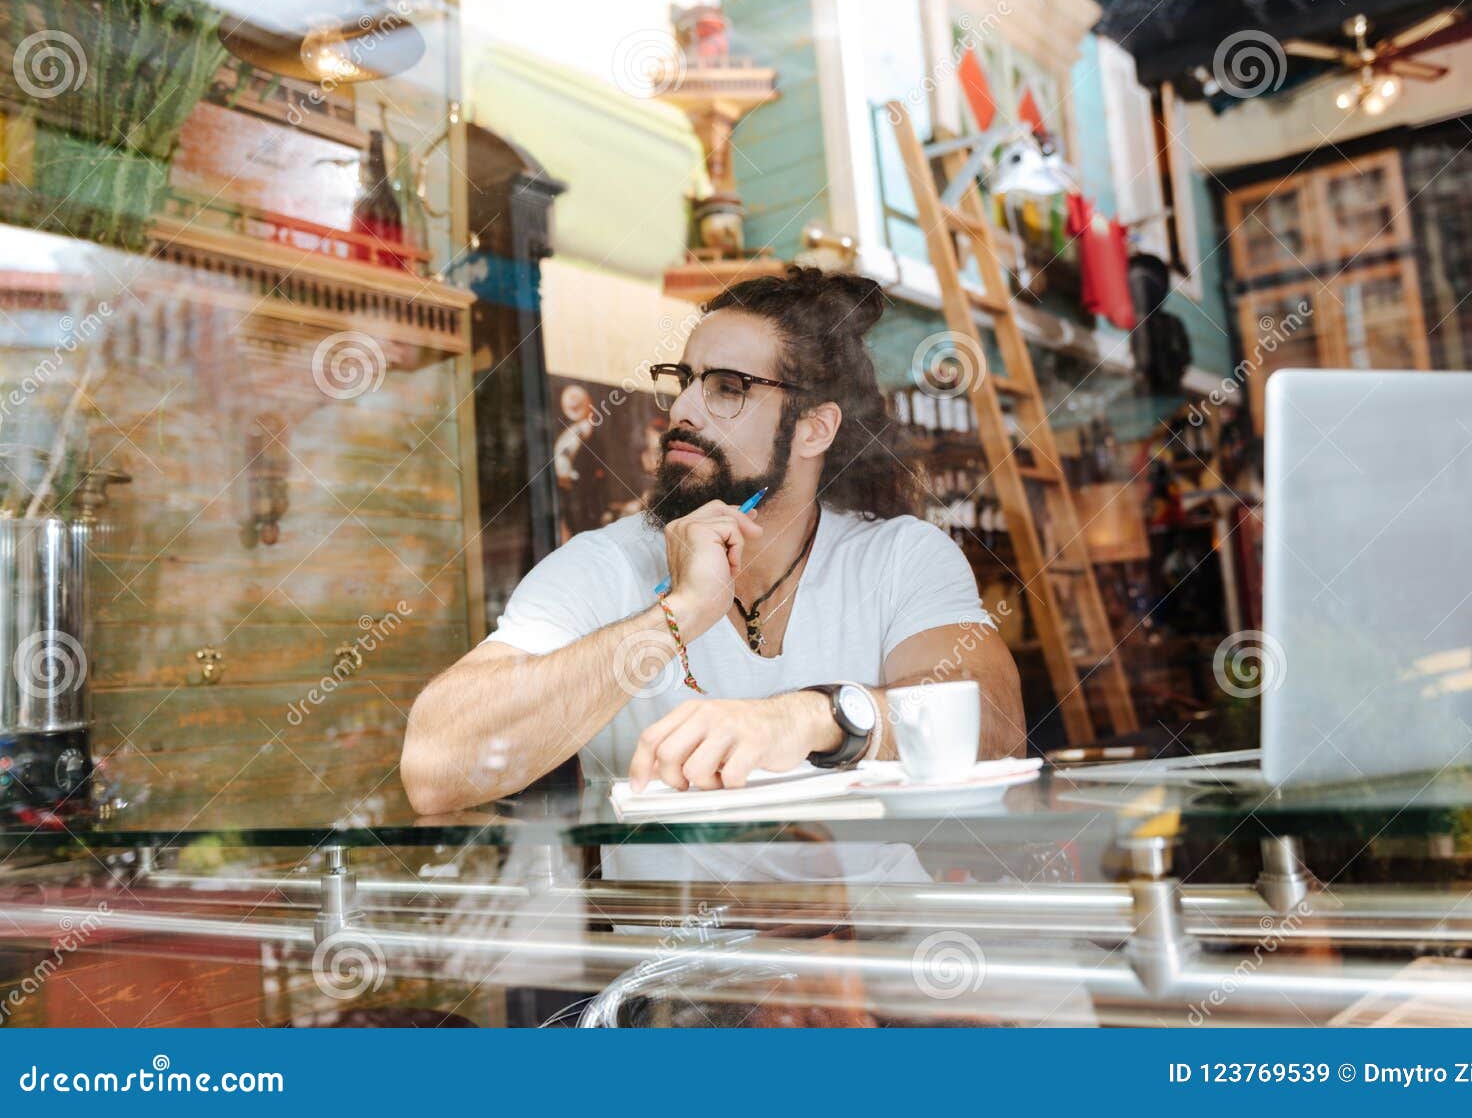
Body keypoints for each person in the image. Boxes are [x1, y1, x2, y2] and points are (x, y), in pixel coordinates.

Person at [400, 267, 1025, 816]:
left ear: (814, 429)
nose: (683, 410)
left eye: (728, 387)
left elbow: (995, 724)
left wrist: (811, 717)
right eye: (685, 380)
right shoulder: (604, 566)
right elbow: (433, 770)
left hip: (866, 943)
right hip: (669, 948)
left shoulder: (898, 557)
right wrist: (674, 616)